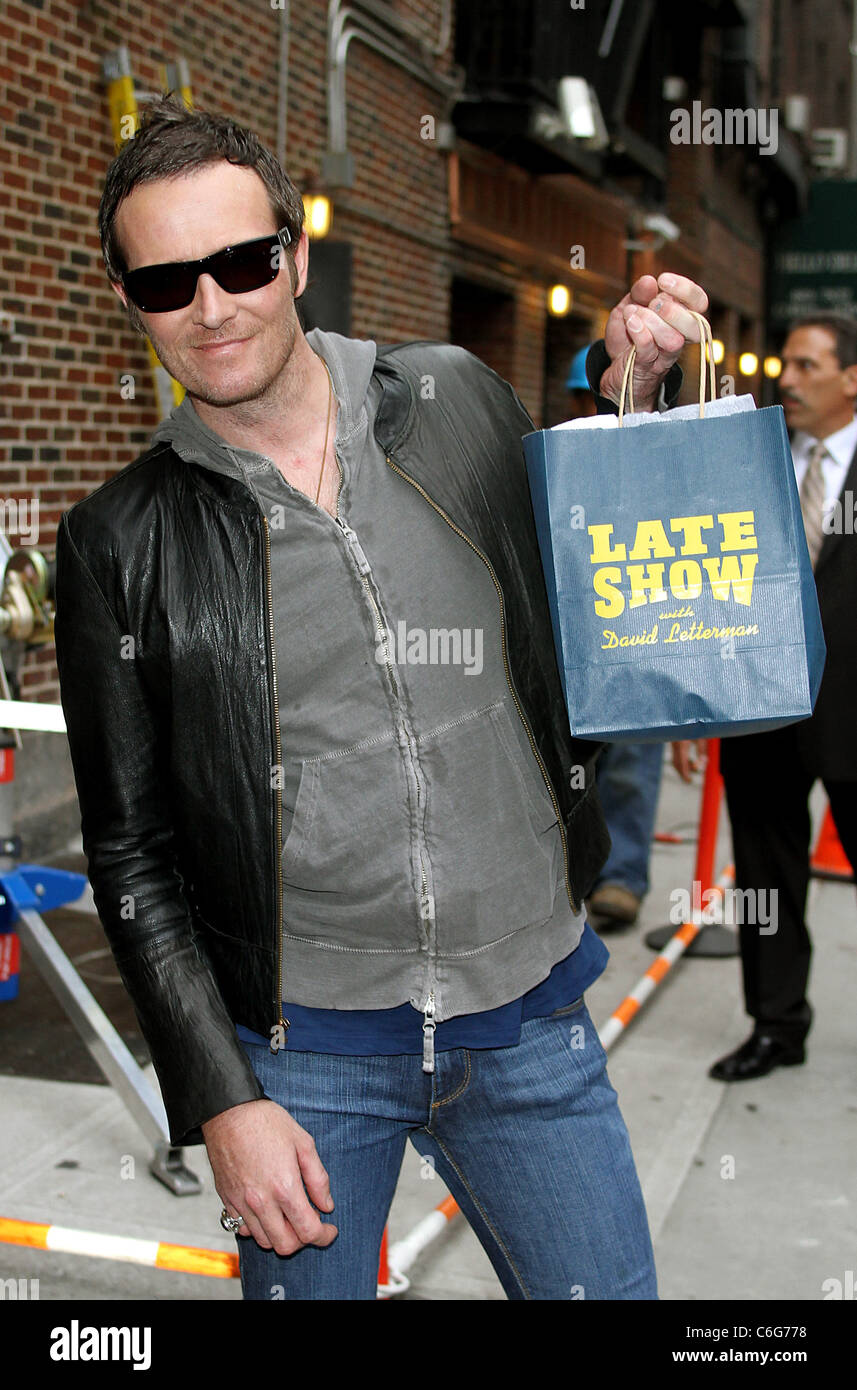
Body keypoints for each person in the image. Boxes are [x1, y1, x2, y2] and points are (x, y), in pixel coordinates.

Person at [54, 95, 707, 1300]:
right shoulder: (117, 541)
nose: (212, 307)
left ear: (296, 254)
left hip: (527, 1020)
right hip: (301, 1058)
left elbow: (587, 555)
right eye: (165, 283)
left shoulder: (452, 399)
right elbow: (133, 854)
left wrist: (633, 401)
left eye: (242, 262)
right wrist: (220, 1098)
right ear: (128, 299)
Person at [675, 313, 857, 1081]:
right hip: (763, 708)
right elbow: (708, 581)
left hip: (852, 714)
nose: (787, 378)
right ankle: (775, 1027)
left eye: (808, 365)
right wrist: (696, 698)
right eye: (785, 362)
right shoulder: (750, 461)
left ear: (851, 378)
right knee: (765, 883)